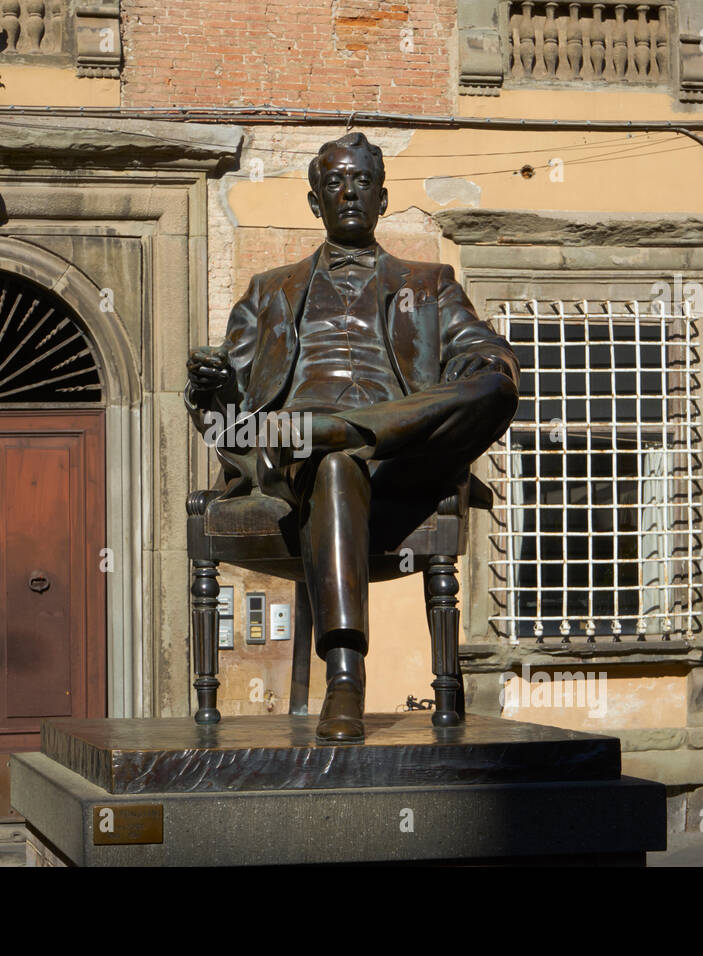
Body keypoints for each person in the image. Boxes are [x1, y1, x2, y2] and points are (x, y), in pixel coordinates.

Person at [185, 133, 519, 742]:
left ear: (383, 196)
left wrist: (479, 369)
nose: (349, 192)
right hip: (292, 450)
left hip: (401, 457)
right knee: (332, 462)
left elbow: (486, 359)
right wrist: (208, 386)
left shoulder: (431, 281)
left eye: (362, 181)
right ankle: (345, 679)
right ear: (315, 202)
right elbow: (228, 416)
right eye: (335, 182)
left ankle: (344, 431)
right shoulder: (268, 290)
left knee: (497, 385)